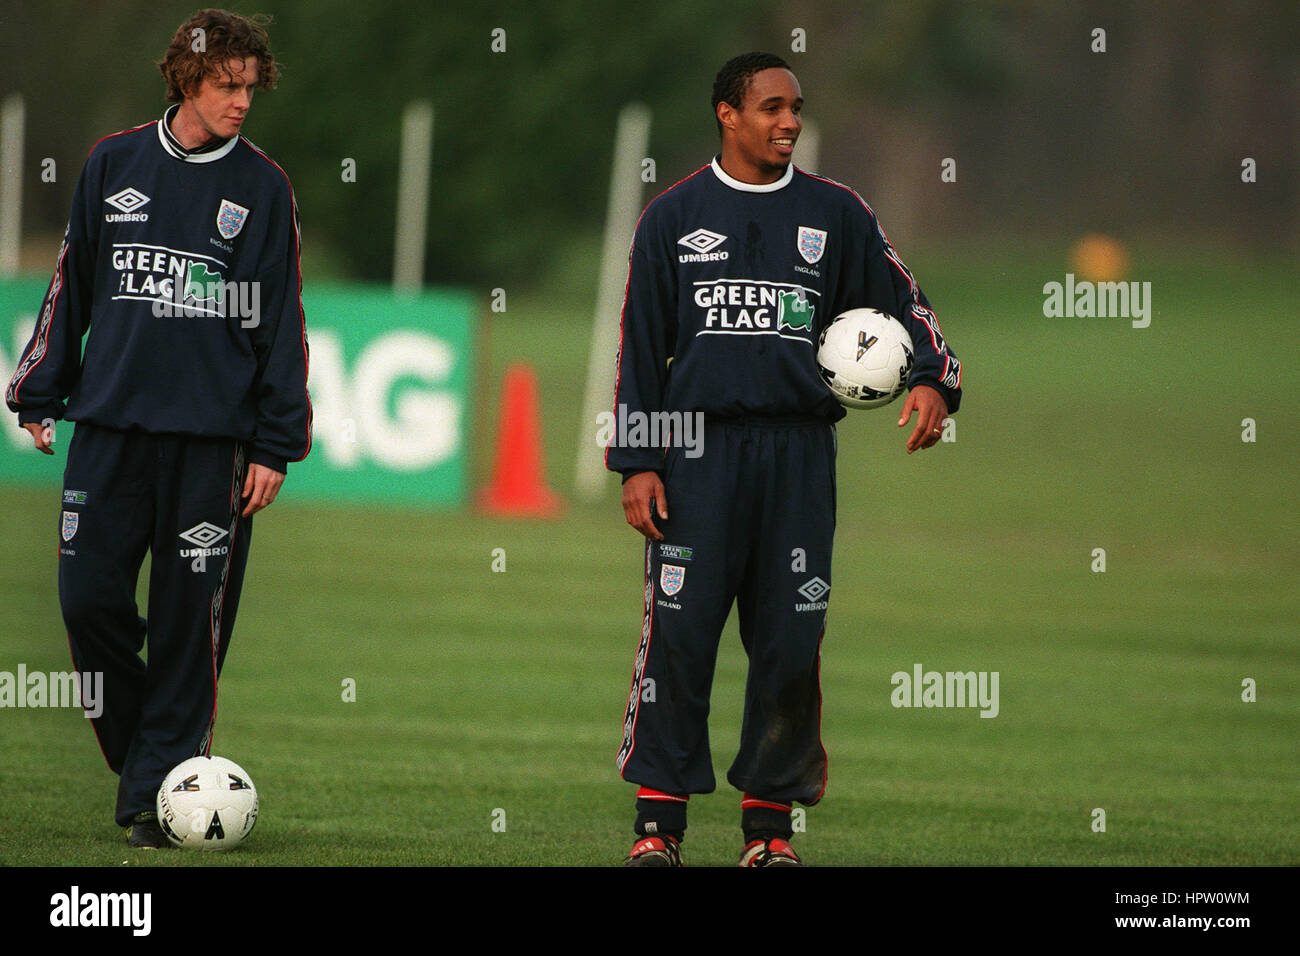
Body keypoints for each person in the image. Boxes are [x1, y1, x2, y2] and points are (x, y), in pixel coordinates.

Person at [607, 52, 961, 866]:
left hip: (799, 456)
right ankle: (657, 828)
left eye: (796, 107)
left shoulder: (836, 214)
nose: (790, 121)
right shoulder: (672, 215)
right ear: (727, 115)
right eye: (771, 107)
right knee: (680, 638)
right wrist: (639, 461)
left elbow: (907, 307)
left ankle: (768, 833)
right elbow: (639, 348)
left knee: (790, 644)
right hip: (695, 453)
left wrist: (935, 381)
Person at [5, 9, 311, 848]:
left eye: (251, 87)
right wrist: (40, 388)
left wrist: (277, 445)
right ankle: (160, 761)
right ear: (186, 79)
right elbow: (75, 285)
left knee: (189, 625)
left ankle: (153, 797)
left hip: (213, 446)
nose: (241, 102)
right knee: (88, 601)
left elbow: (281, 325)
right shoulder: (114, 162)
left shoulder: (263, 187)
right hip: (110, 432)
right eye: (226, 85)